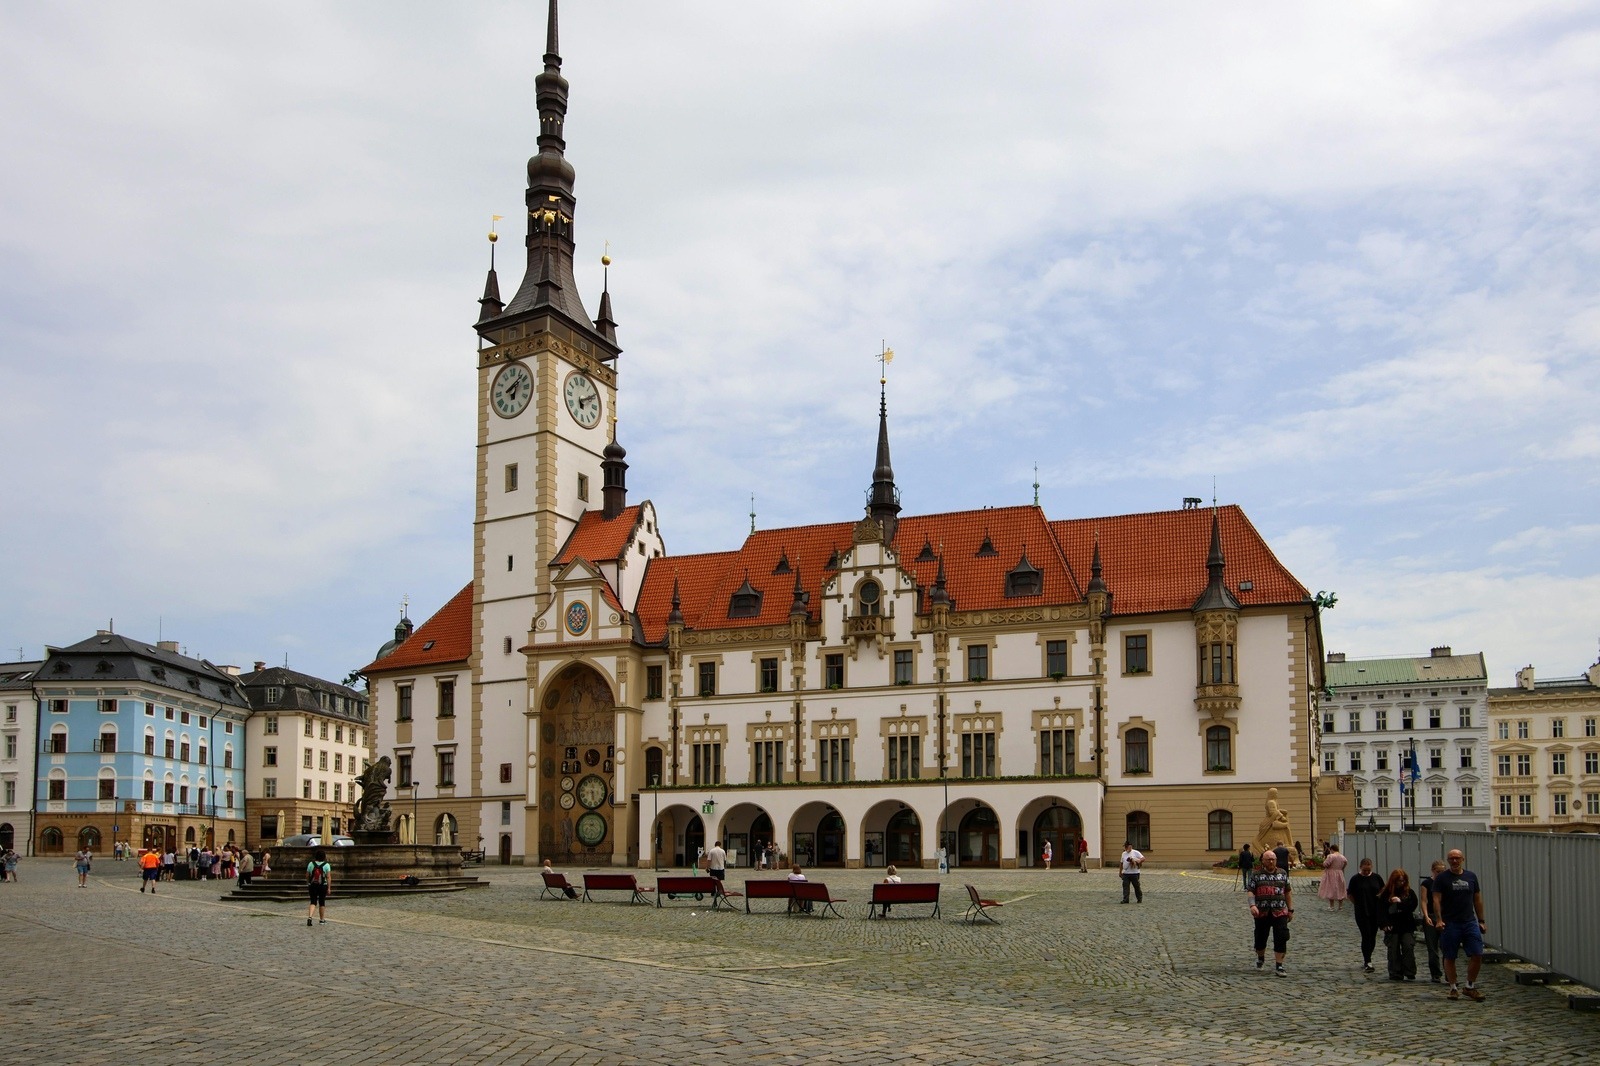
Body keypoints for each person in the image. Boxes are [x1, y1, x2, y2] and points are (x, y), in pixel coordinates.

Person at [1430, 849, 1488, 1001]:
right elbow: (1436, 900)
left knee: (1477, 953)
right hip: (1450, 923)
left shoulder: (1471, 877)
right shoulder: (1442, 878)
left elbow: (1477, 899)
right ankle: (1453, 987)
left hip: (1469, 921)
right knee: (1450, 956)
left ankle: (1469, 986)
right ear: (1448, 861)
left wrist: (1481, 920)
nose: (1454, 861)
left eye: (1457, 858)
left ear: (1463, 859)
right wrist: (1439, 919)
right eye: (1451, 859)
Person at [1245, 847, 1294, 976]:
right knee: (1261, 938)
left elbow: (1288, 892)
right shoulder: (1256, 874)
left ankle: (1279, 965)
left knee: (1281, 937)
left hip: (1280, 911)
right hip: (1262, 912)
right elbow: (1250, 891)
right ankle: (1260, 958)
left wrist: (1290, 909)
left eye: (1273, 859)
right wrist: (1252, 905)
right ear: (1263, 861)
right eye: (1268, 860)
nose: (1271, 862)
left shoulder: (1282, 873)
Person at [1380, 868, 1419, 981]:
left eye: (1403, 881)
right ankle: (1395, 972)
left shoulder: (1409, 893)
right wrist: (1384, 924)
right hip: (1392, 925)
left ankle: (1409, 971)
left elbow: (1412, 906)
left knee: (1408, 946)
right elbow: (1381, 910)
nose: (1401, 883)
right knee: (1393, 949)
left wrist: (1400, 903)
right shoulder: (1386, 893)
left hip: (1406, 924)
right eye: (1399, 881)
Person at [1348, 856, 1384, 973]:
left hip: (1374, 911)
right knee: (1366, 935)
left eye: (1368, 870)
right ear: (1360, 868)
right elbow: (1350, 894)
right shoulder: (1355, 879)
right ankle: (1367, 960)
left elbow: (1383, 889)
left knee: (1372, 935)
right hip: (1362, 912)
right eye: (1364, 870)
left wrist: (1380, 896)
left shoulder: (1376, 878)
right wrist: (1357, 904)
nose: (1366, 872)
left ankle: (1369, 955)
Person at [1418, 859, 1448, 983]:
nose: (1440, 874)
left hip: (1445, 916)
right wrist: (1426, 916)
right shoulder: (1427, 883)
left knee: (1446, 947)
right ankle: (1435, 973)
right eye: (1438, 871)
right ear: (1433, 871)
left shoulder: (1447, 883)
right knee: (1432, 947)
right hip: (1431, 915)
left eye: (1442, 871)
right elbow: (1424, 901)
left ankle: (1448, 973)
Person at [1318, 844, 1348, 910]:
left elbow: (1326, 864)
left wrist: (1325, 864)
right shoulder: (1342, 856)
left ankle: (1332, 906)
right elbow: (1346, 862)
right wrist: (1341, 868)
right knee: (1340, 888)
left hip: (1331, 873)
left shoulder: (1331, 856)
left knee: (1331, 888)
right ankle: (1340, 906)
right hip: (1339, 873)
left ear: (1331, 849)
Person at [306, 848, 332, 926]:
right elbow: (328, 877)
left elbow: (307, 875)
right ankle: (321, 920)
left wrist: (308, 883)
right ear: (324, 856)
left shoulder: (311, 864)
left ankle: (310, 917)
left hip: (313, 885)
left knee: (313, 901)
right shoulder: (326, 865)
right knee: (322, 902)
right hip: (322, 886)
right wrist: (329, 888)